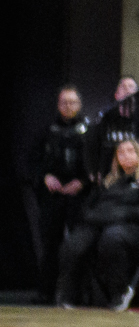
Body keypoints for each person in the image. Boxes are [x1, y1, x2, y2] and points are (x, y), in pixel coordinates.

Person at [55, 136, 139, 309]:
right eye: (120, 152)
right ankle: (68, 296)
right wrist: (100, 216)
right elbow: (88, 209)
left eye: (130, 151)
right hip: (101, 224)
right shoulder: (108, 182)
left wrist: (119, 214)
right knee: (74, 243)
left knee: (112, 237)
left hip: (135, 229)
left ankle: (119, 292)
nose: (125, 155)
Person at [34, 85, 91, 302]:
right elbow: (32, 162)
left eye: (72, 102)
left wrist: (83, 182)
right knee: (50, 245)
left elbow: (97, 166)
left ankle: (78, 294)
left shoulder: (89, 131)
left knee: (79, 245)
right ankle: (46, 293)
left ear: (80, 104)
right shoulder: (46, 131)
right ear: (58, 105)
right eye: (64, 102)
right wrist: (45, 177)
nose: (68, 106)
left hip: (80, 197)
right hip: (52, 197)